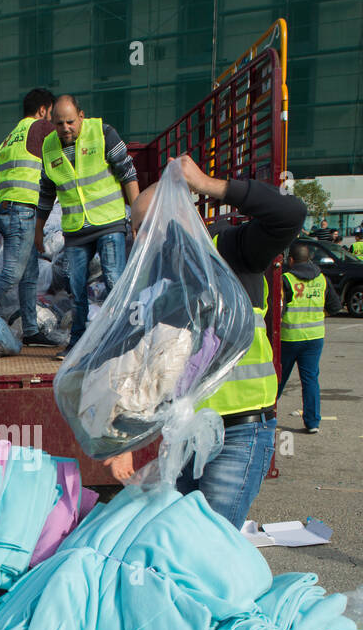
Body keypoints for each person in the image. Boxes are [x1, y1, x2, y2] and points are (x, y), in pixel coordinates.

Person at [106, 155, 307, 530]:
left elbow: (290, 213)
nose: (140, 239)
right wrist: (124, 442)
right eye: (135, 229)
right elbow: (141, 368)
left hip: (239, 432)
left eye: (149, 227)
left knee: (210, 541)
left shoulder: (229, 250)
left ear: (181, 218)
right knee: (176, 536)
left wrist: (208, 184)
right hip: (185, 433)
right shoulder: (153, 287)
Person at [35, 95, 140, 349]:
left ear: (81, 116)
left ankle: (122, 338)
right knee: (76, 290)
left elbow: (128, 172)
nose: (65, 128)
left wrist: (137, 217)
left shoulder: (103, 133)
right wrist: (38, 230)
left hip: (109, 222)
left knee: (115, 281)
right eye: (59, 123)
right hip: (76, 230)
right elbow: (46, 192)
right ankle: (78, 342)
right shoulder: (50, 146)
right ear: (52, 122)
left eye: (70, 122)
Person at [0, 88, 65, 347]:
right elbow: (61, 153)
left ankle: (31, 331)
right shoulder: (40, 127)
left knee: (28, 275)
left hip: (9, 210)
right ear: (43, 110)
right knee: (11, 274)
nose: (53, 120)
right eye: (52, 114)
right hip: (22, 210)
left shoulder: (13, 135)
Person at [277, 241, 341, 434]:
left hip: (289, 337)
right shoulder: (321, 279)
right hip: (314, 338)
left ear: (291, 260)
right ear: (309, 259)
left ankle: (268, 416)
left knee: (278, 379)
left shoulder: (286, 279)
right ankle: (312, 423)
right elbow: (335, 307)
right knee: (310, 379)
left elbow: (279, 310)